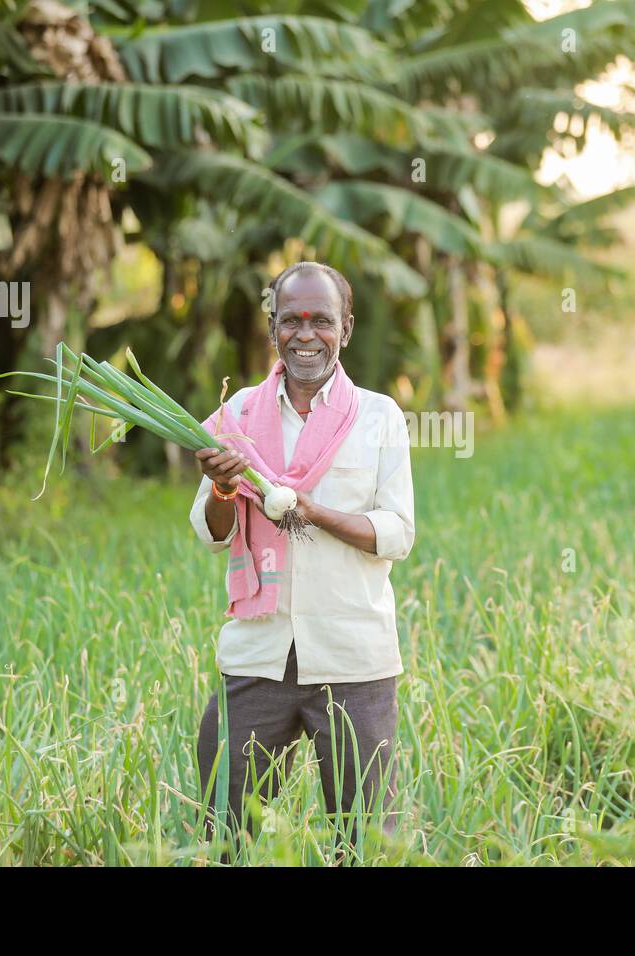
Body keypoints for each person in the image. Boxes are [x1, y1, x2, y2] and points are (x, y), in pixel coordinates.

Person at [191, 261, 415, 848]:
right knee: (228, 828)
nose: (306, 334)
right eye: (291, 320)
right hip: (259, 653)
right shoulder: (237, 414)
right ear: (272, 329)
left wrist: (313, 513)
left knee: (363, 841)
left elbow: (397, 532)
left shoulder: (378, 416)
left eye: (322, 320)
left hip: (353, 657)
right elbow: (211, 533)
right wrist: (220, 487)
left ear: (346, 330)